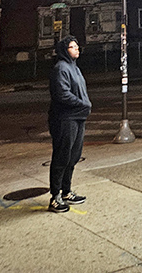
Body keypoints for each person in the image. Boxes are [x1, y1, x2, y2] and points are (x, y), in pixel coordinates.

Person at [47, 35, 92, 212]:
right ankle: (55, 197)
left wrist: (84, 105)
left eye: (77, 46)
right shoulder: (61, 68)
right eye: (73, 47)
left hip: (78, 117)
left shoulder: (75, 68)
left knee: (74, 155)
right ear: (65, 51)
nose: (77, 49)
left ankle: (66, 191)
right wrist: (83, 104)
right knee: (62, 156)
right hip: (64, 119)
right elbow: (62, 94)